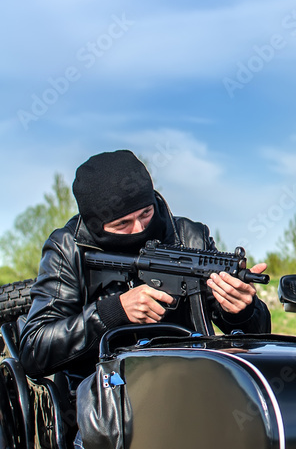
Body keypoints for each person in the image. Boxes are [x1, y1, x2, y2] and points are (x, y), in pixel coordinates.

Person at [19, 149, 270, 381]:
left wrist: (242, 311)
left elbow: (260, 337)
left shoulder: (190, 237)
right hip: (101, 394)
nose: (139, 229)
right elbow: (34, 350)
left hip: (188, 381)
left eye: (146, 213)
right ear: (95, 225)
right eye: (122, 224)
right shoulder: (68, 248)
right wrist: (111, 312)